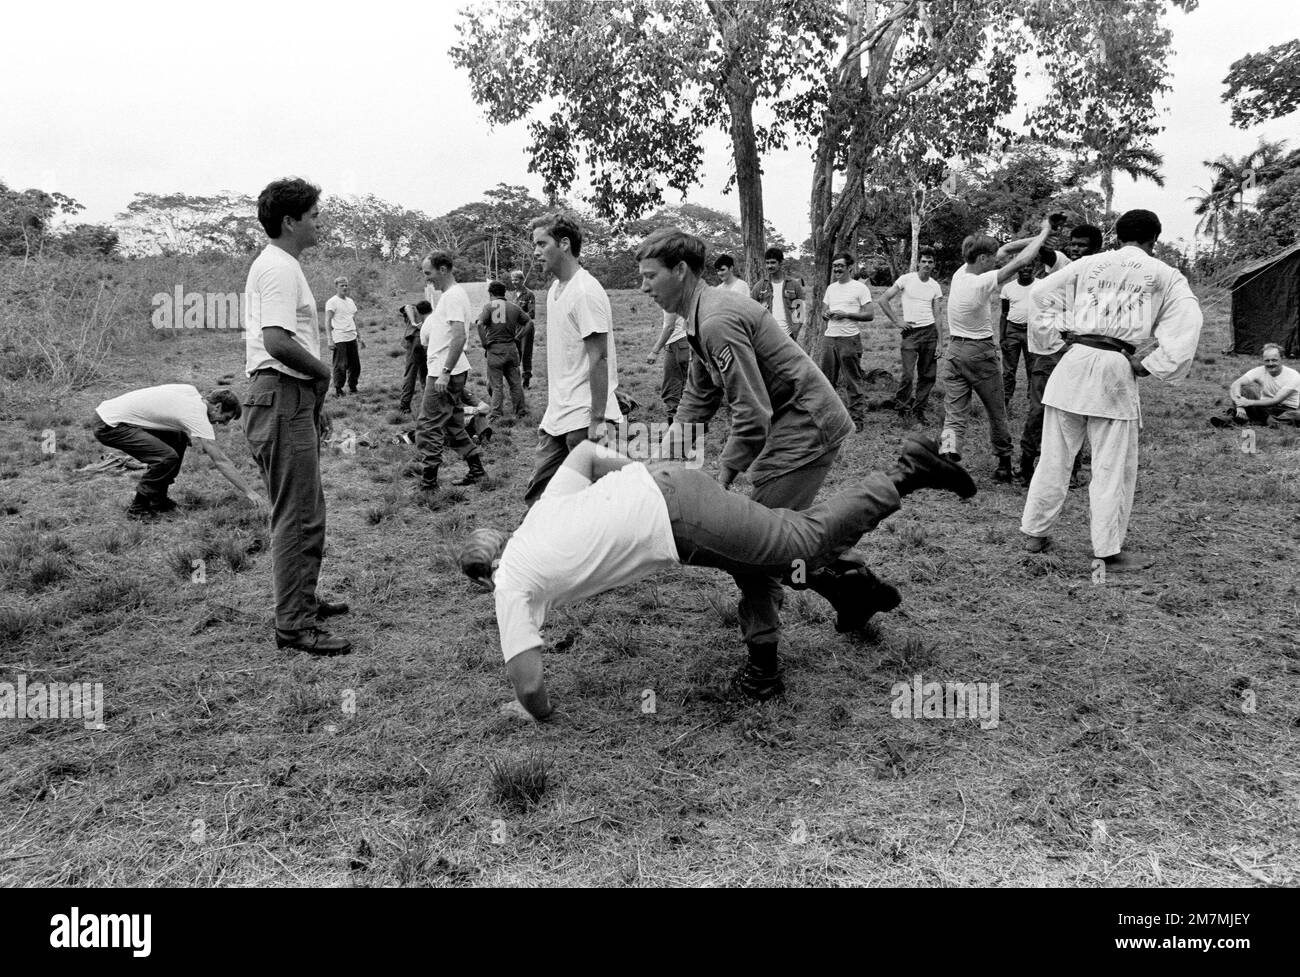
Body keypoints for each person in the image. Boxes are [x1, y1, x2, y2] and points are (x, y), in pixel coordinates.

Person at [462, 435, 976, 720]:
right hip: (669, 489)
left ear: (485, 580)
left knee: (798, 541)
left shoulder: (509, 588)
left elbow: (529, 686)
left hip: (679, 520)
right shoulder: (534, 521)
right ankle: (848, 593)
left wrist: (534, 713)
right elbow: (586, 453)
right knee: (756, 560)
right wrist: (637, 475)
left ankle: (908, 471)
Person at [641, 227, 888, 701]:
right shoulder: (698, 318)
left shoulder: (715, 318)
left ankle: (764, 668)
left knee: (754, 549)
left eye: (651, 276)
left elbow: (752, 413)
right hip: (787, 427)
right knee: (774, 541)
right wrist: (661, 467)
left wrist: (722, 478)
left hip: (806, 427)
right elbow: (697, 396)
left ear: (681, 271)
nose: (644, 287)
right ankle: (849, 587)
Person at [1021, 209, 1204, 568]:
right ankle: (1107, 550)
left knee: (1054, 458)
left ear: (1118, 236)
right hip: (1113, 369)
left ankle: (1034, 534)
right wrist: (1152, 364)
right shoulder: (1165, 274)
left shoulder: (1090, 264)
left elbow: (1040, 292)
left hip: (1073, 363)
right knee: (1111, 468)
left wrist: (1058, 335)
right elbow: (1189, 322)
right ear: (1155, 239)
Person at [242, 177, 350, 656]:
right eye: (313, 214)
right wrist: (324, 374)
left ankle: (301, 601)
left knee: (306, 510)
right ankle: (294, 625)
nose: (318, 221)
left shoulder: (282, 265)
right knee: (298, 515)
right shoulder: (280, 269)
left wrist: (313, 401)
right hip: (282, 395)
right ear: (290, 221)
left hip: (289, 398)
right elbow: (277, 342)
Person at [939, 219, 1052, 483]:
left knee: (954, 414)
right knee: (996, 410)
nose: (996, 263)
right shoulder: (979, 283)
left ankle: (946, 455)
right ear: (981, 258)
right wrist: (1044, 231)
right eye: (991, 259)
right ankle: (1003, 463)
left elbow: (1007, 250)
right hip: (979, 353)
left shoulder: (961, 273)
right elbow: (1020, 261)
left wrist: (1038, 238)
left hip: (954, 351)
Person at [523, 212, 623, 505]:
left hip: (583, 415)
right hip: (558, 412)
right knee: (539, 496)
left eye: (541, 244)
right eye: (534, 245)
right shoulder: (555, 289)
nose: (536, 252)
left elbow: (599, 358)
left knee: (592, 502)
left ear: (564, 244)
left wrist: (597, 418)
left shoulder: (585, 291)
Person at [93, 385, 267, 517]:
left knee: (179, 438)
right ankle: (139, 507)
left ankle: (158, 500)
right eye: (226, 418)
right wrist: (250, 492)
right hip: (110, 425)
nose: (223, 424)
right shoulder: (196, 414)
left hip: (112, 413)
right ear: (218, 407)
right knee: (165, 458)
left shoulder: (191, 391)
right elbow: (220, 460)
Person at [1017, 224, 1104, 485]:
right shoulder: (1065, 264)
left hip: (1080, 351)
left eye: (1082, 245)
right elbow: (1044, 253)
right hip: (1050, 351)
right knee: (1039, 411)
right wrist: (1047, 229)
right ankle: (1025, 466)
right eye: (1073, 244)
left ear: (1096, 248)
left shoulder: (1101, 273)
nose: (1075, 249)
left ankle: (1073, 470)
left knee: (1075, 410)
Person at [416, 251, 489, 493]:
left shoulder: (453, 297)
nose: (428, 279)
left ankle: (428, 483)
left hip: (444, 372)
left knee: (428, 425)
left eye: (429, 273)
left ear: (443, 269)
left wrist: (445, 371)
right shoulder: (449, 296)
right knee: (453, 424)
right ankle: (477, 470)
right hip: (450, 370)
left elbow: (459, 335)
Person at [876, 247, 944, 424]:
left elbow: (938, 315)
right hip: (910, 333)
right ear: (918, 263)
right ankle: (902, 407)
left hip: (929, 333)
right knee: (907, 375)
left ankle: (919, 410)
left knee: (928, 376)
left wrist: (941, 343)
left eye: (930, 262)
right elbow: (883, 300)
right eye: (924, 261)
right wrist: (897, 321)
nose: (927, 265)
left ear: (934, 264)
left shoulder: (935, 286)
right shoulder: (906, 279)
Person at [817, 250, 874, 431]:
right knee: (826, 381)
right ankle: (828, 419)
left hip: (849, 339)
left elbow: (870, 314)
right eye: (835, 266)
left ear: (849, 268)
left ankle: (857, 420)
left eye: (841, 266)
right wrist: (826, 314)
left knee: (853, 381)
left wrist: (847, 314)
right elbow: (823, 311)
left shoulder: (860, 288)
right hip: (829, 339)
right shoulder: (831, 288)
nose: (837, 269)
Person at [475, 281, 530, 422]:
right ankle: (521, 411)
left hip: (495, 349)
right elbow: (529, 322)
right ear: (504, 293)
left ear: (491, 293)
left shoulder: (488, 307)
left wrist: (484, 343)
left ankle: (496, 413)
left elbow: (479, 323)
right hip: (511, 348)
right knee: (515, 383)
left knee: (496, 385)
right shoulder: (514, 307)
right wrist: (518, 337)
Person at [1209, 344, 1300, 427]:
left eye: (1274, 360)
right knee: (1244, 390)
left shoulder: (1293, 375)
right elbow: (1236, 384)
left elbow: (1276, 400)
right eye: (1267, 361)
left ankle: (1242, 420)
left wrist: (1249, 403)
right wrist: (1239, 405)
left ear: (1282, 359)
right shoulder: (1260, 370)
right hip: (1264, 408)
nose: (1270, 364)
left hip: (1286, 410)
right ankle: (1268, 421)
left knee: (1297, 415)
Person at [750, 246, 806, 343]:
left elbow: (801, 309)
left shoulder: (793, 284)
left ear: (781, 263)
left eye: (773, 262)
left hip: (789, 335)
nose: (769, 266)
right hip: (767, 334)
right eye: (767, 263)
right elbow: (750, 309)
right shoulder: (760, 286)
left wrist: (796, 329)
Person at [999, 264, 1035, 409]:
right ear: (1017, 268)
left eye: (1029, 266)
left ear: (1034, 267)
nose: (1026, 269)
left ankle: (1033, 404)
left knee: (1033, 368)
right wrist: (1002, 338)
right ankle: (1005, 403)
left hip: (1032, 331)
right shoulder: (1008, 288)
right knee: (1008, 370)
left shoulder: (1040, 285)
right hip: (1012, 330)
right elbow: (1004, 313)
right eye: (1023, 267)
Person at [647, 310, 691, 422]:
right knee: (687, 385)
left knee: (673, 387)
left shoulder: (671, 299)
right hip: (688, 340)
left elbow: (669, 327)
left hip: (677, 343)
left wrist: (655, 351)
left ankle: (675, 426)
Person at [325, 276, 361, 396]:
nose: (345, 287)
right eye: (342, 285)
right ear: (336, 287)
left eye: (346, 285)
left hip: (352, 336)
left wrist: (359, 336)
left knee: (355, 365)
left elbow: (354, 319)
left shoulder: (350, 301)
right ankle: (338, 389)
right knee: (340, 365)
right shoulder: (332, 302)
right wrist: (330, 339)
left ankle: (353, 387)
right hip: (339, 337)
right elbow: (327, 321)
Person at [398, 301, 430, 414]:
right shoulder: (430, 314)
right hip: (426, 340)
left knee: (411, 373)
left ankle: (405, 405)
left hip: (415, 340)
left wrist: (413, 323)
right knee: (425, 373)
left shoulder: (413, 309)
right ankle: (428, 403)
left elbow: (407, 306)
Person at [508, 270, 537, 388]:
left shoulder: (529, 294)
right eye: (513, 279)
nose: (514, 282)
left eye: (516, 279)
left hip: (526, 327)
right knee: (515, 353)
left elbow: (532, 314)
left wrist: (519, 317)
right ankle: (515, 379)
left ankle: (526, 381)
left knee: (526, 353)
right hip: (515, 327)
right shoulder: (513, 294)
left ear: (522, 280)